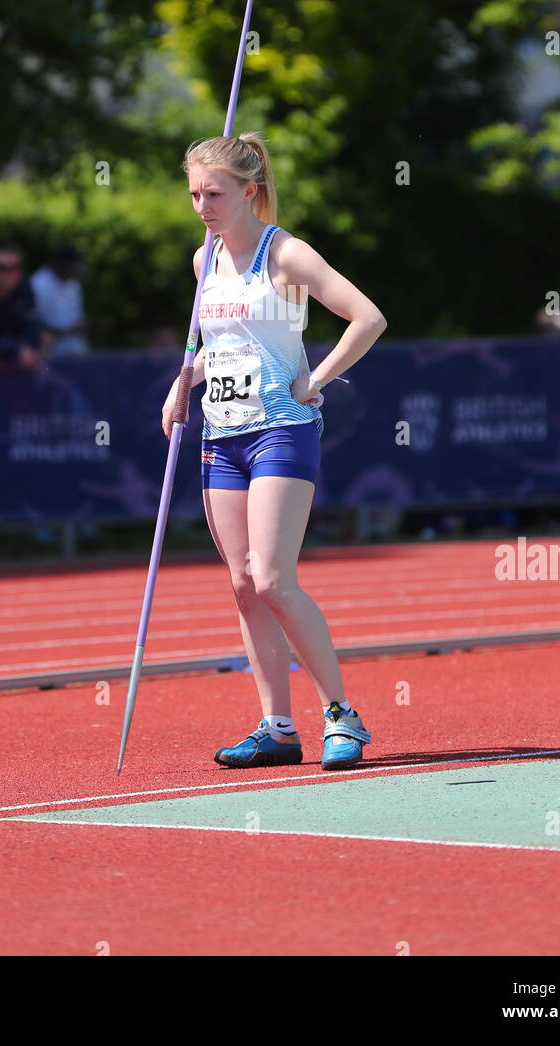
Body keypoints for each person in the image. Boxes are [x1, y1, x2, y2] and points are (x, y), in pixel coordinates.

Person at [161, 131, 387, 771]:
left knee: (273, 578)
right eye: (195, 194)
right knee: (242, 586)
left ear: (248, 190)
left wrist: (315, 380)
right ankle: (277, 727)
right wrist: (183, 383)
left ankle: (342, 718)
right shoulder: (204, 261)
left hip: (280, 430)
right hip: (221, 432)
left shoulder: (283, 253)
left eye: (215, 193)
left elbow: (367, 317)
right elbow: (221, 342)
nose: (203, 206)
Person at [30, 242, 89, 356]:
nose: (75, 269)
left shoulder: (74, 283)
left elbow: (77, 314)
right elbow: (32, 321)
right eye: (72, 265)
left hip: (77, 349)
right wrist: (64, 331)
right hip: (50, 354)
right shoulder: (38, 284)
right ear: (59, 263)